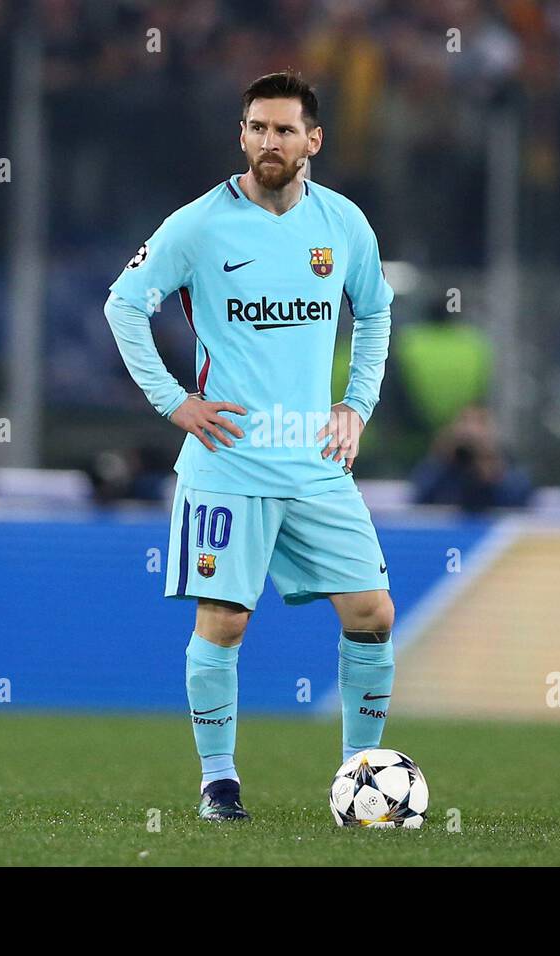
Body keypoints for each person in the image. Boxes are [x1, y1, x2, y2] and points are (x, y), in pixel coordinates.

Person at [103, 72, 395, 822]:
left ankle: (362, 776)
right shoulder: (199, 225)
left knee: (372, 613)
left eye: (286, 130)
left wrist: (355, 406)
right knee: (225, 621)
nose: (271, 142)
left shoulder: (344, 225)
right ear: (243, 136)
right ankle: (219, 783)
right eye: (258, 128)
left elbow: (377, 311)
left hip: (314, 461)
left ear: (313, 141)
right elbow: (124, 303)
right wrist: (174, 402)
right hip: (228, 459)